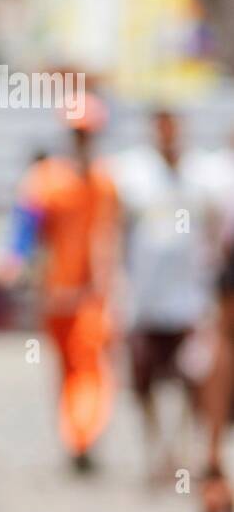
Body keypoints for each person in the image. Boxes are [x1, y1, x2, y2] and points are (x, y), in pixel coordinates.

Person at [8, 94, 120, 473]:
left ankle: (81, 436)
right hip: (55, 294)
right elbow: (25, 228)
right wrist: (15, 261)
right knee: (66, 369)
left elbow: (113, 235)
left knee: (89, 366)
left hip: (91, 296)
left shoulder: (105, 182)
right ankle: (75, 433)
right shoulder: (48, 181)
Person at [110, 109, 221, 484]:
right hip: (146, 301)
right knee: (144, 381)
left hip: (189, 301)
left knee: (194, 381)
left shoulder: (202, 177)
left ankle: (183, 449)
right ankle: (155, 448)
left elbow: (217, 225)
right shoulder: (134, 176)